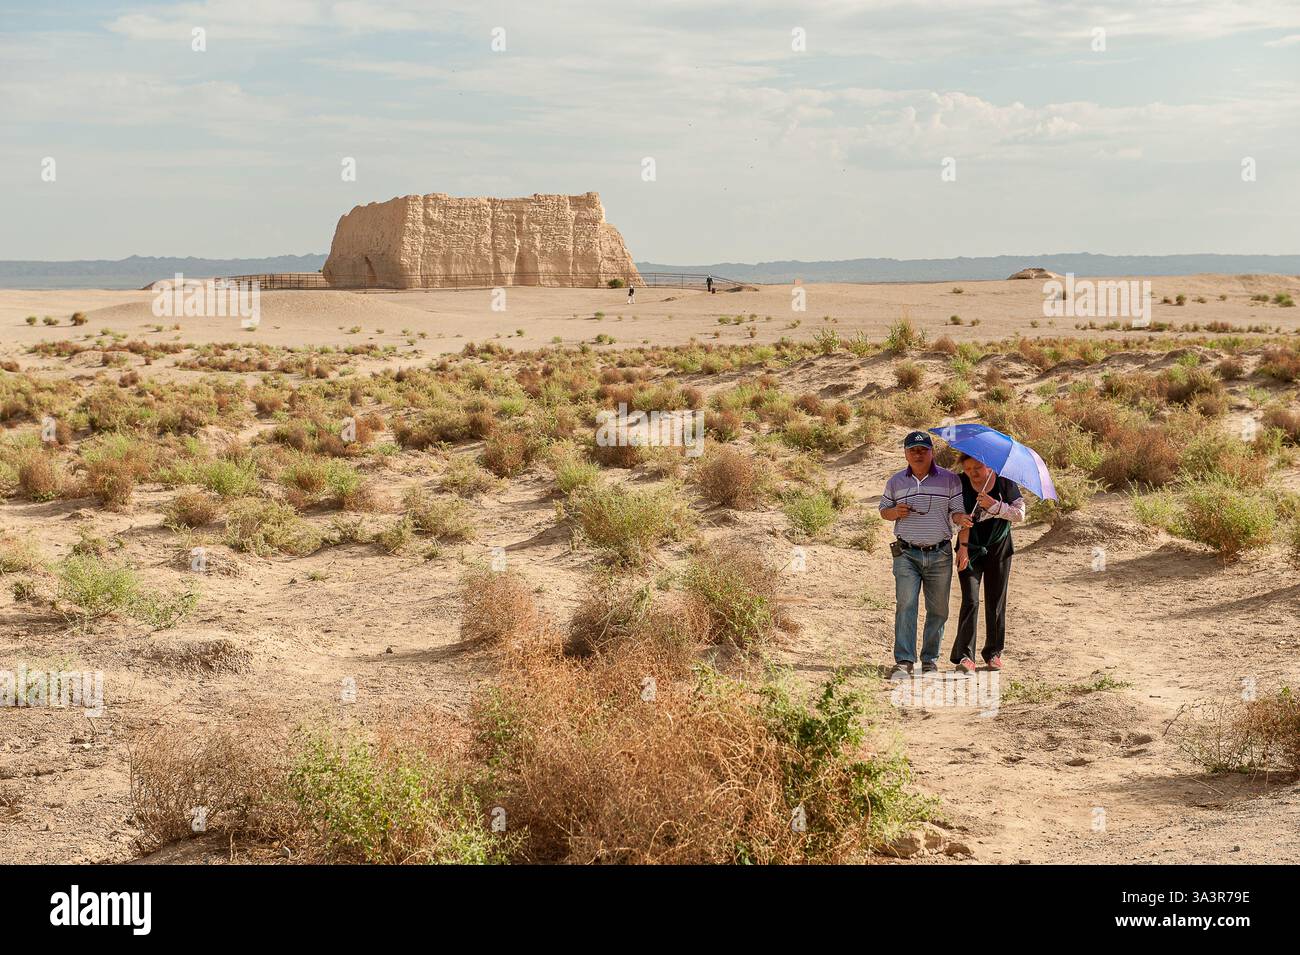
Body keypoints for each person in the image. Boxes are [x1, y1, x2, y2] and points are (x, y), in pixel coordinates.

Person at [879, 432, 972, 680]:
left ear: (931, 452)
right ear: (905, 453)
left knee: (939, 609)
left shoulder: (950, 480)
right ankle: (904, 661)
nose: (918, 454)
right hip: (906, 553)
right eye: (913, 450)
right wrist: (895, 512)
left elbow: (956, 512)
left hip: (940, 552)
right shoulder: (896, 481)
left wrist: (960, 519)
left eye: (923, 449)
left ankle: (929, 660)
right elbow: (883, 512)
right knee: (906, 605)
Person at [950, 452, 1025, 673]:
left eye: (978, 467)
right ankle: (965, 657)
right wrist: (962, 547)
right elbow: (955, 515)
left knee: (996, 600)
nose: (973, 473)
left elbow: (1019, 514)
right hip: (969, 549)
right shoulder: (960, 483)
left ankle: (993, 653)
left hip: (999, 548)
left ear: (989, 465)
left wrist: (994, 506)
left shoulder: (1004, 481)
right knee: (970, 600)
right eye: (968, 469)